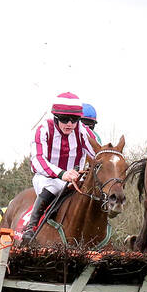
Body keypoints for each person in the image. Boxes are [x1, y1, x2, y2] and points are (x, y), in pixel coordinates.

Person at [22, 92, 97, 244]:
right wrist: (61, 174)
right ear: (55, 117)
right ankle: (31, 227)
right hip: (46, 177)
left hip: (76, 178)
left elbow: (97, 152)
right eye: (64, 119)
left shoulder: (82, 130)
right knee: (52, 187)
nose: (70, 124)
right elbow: (37, 160)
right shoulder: (43, 129)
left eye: (74, 119)